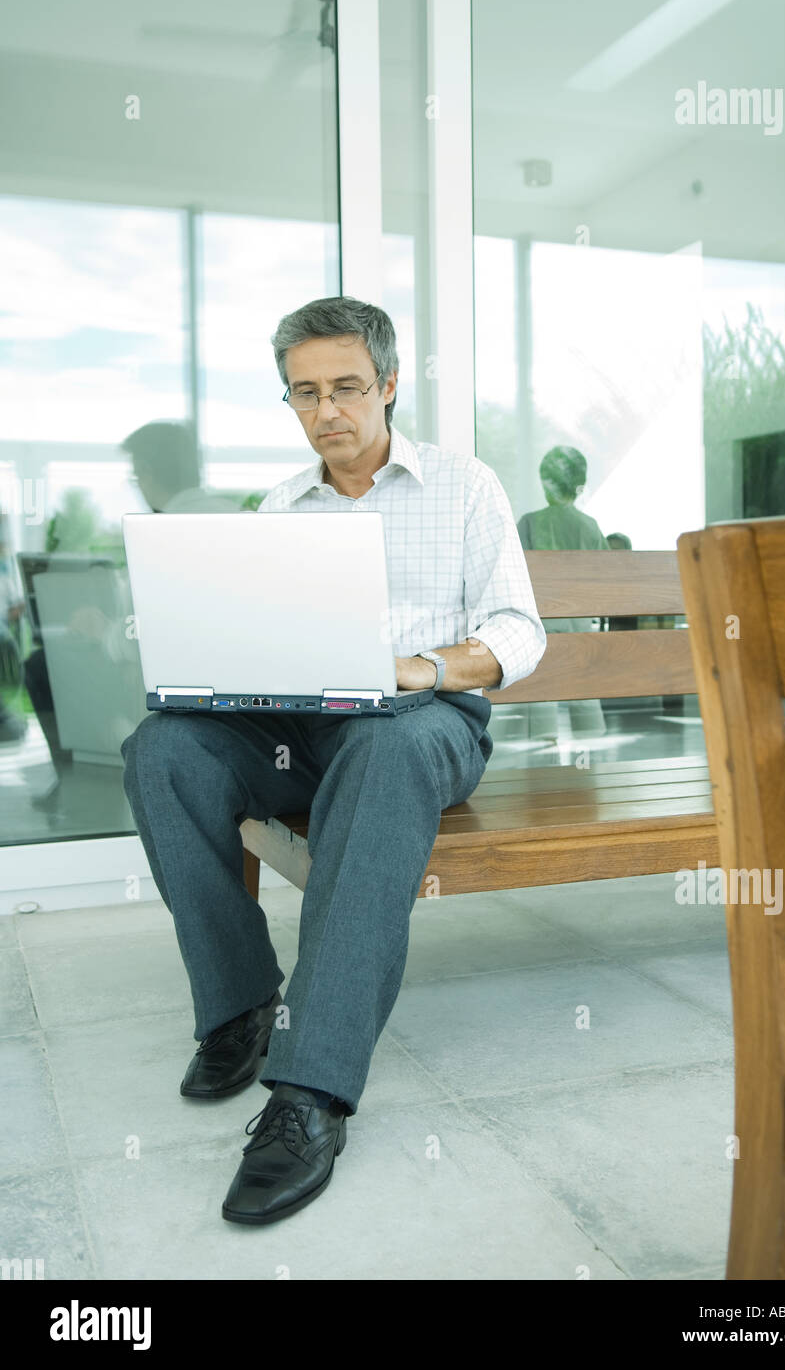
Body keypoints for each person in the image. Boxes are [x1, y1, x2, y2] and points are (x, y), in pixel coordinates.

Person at [120, 295, 547, 1226]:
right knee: (161, 752)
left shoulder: (463, 487)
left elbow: (519, 630)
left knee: (386, 747)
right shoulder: (280, 505)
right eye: (305, 394)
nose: (328, 413)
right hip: (300, 725)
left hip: (422, 721)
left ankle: (309, 1090)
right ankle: (237, 1004)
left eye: (348, 388)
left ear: (388, 385)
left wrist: (424, 667)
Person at [516, 446, 608, 739]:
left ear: (545, 482)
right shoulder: (590, 526)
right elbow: (605, 577)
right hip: (580, 631)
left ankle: (543, 775)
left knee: (542, 716)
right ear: (579, 486)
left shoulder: (530, 524)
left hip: (543, 633)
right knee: (587, 713)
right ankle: (590, 771)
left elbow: (515, 575)